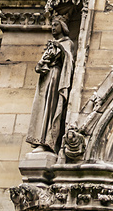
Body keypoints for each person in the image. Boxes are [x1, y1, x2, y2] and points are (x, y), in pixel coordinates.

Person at [26, 16, 75, 153]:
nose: (53, 28)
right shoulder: (51, 44)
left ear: (62, 27)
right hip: (46, 77)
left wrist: (60, 49)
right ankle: (39, 140)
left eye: (55, 25)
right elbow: (40, 64)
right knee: (42, 106)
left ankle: (48, 141)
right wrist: (41, 64)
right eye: (52, 25)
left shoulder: (67, 43)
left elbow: (69, 61)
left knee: (51, 106)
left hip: (56, 76)